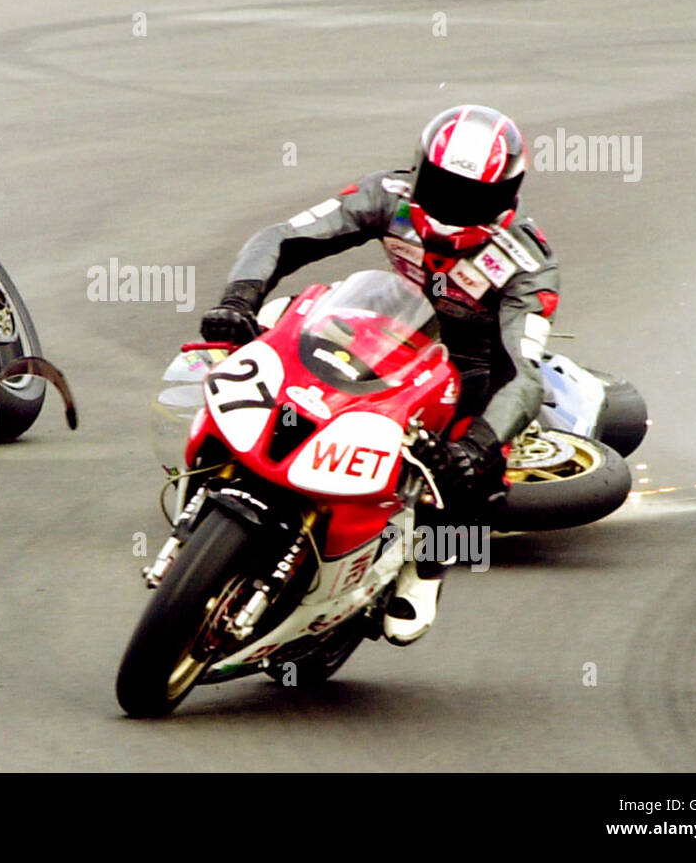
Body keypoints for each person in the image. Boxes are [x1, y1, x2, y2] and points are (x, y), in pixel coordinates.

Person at [199, 105, 560, 644]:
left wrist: (479, 444)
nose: (455, 208)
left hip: (468, 367)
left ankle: (425, 571)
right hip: (388, 324)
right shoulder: (388, 195)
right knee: (273, 329)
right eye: (444, 187)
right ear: (421, 171)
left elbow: (525, 375)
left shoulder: (526, 262)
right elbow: (281, 237)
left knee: (474, 478)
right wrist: (239, 299)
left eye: (474, 198)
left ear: (507, 195)